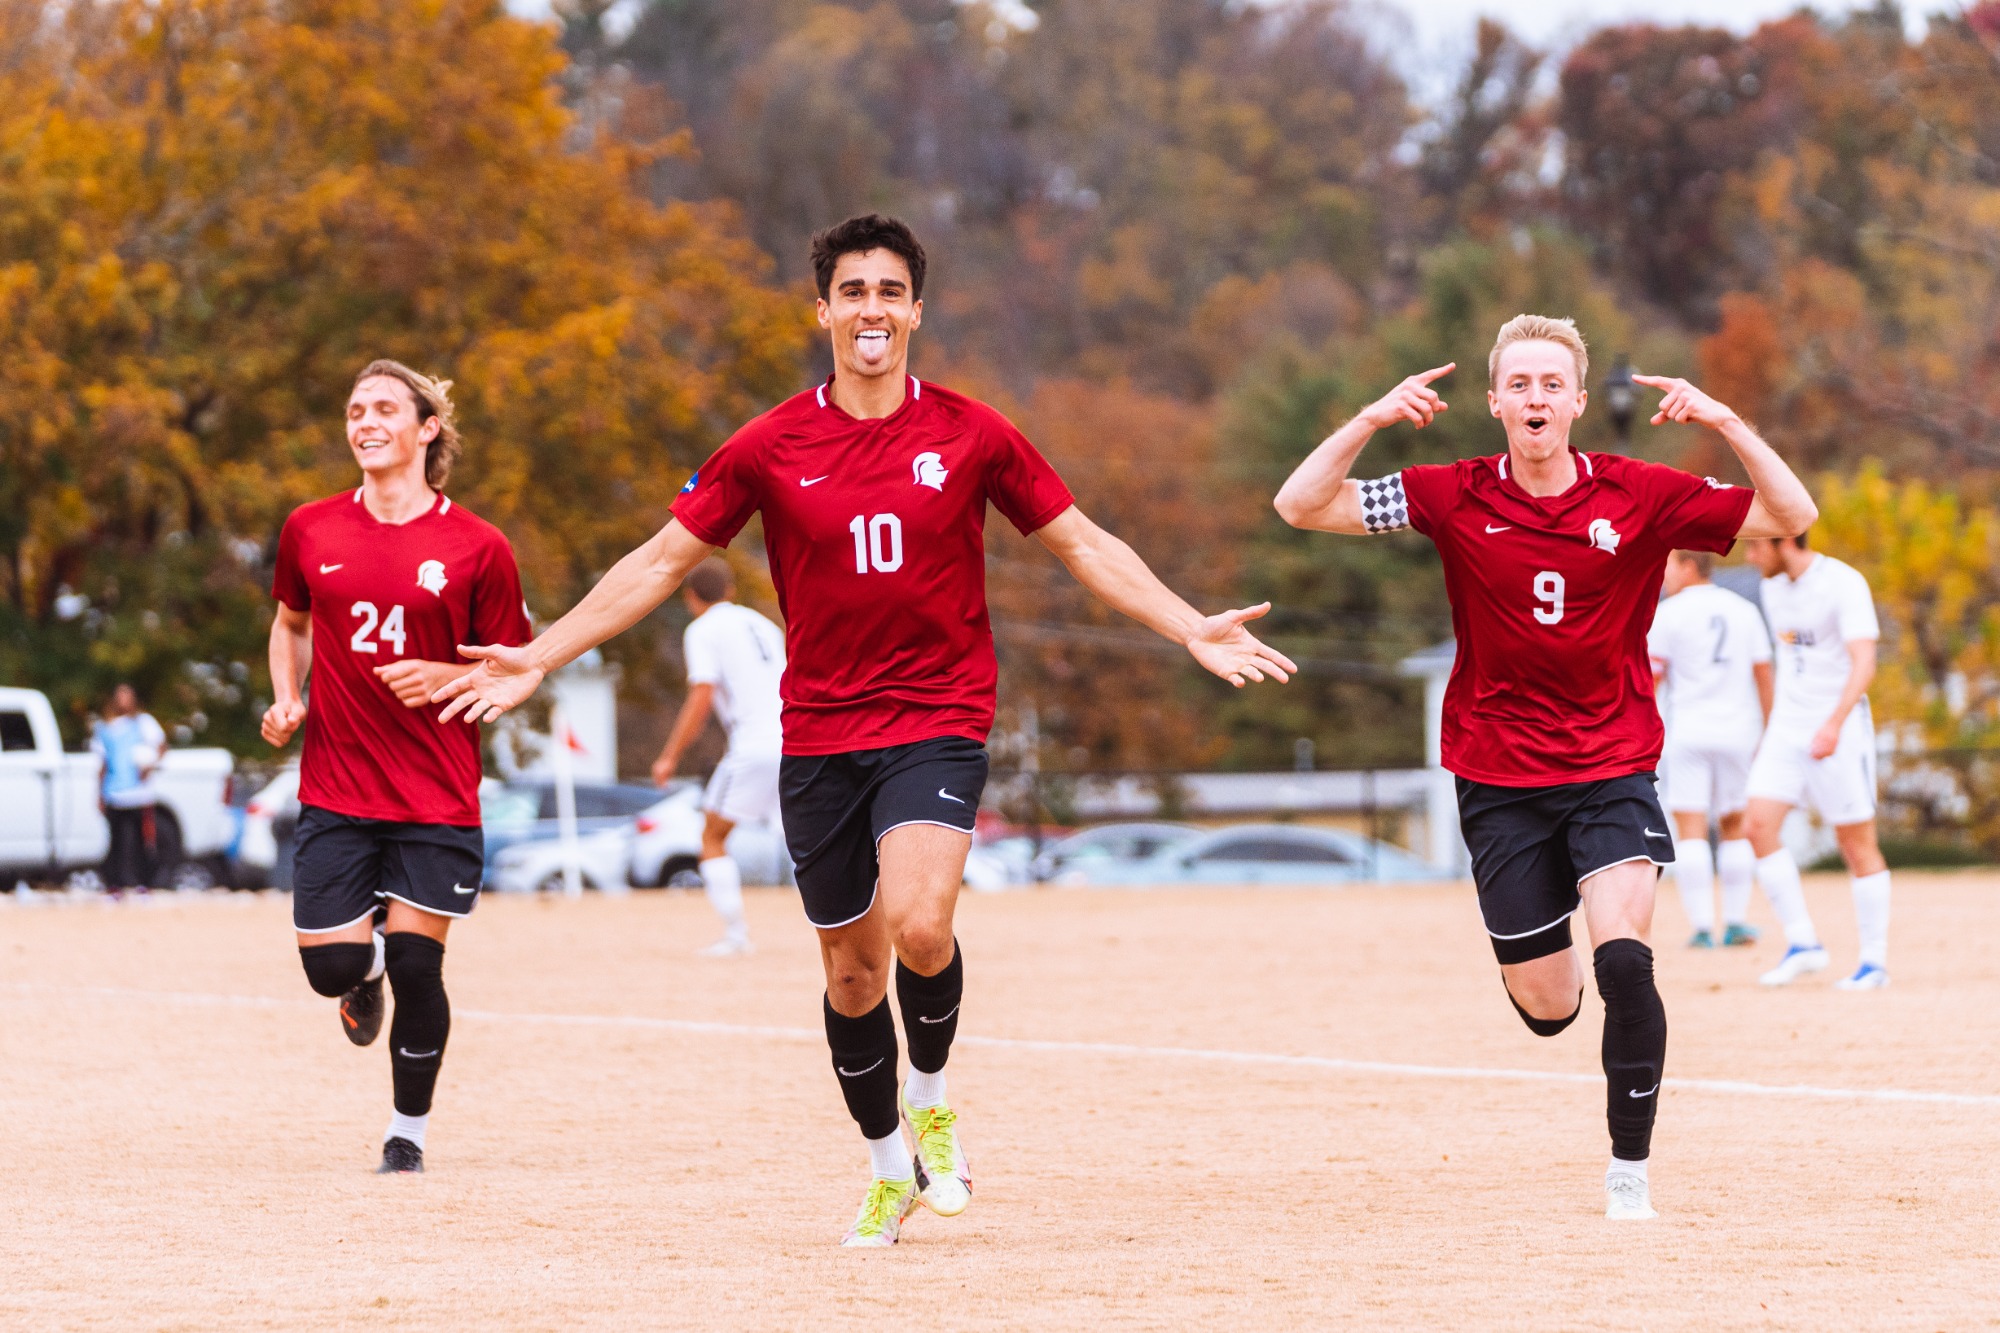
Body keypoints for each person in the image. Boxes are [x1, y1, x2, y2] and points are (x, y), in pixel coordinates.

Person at [434, 213, 1295, 1246]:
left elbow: (1080, 543)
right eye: (853, 291)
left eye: (890, 291)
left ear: (916, 311)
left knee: (920, 925)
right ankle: (888, 1163)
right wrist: (542, 651)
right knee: (850, 972)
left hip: (936, 718)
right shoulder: (767, 444)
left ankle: (929, 1099)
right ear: (823, 311)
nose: (871, 309)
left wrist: (1184, 621)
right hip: (819, 736)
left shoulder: (972, 434)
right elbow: (658, 563)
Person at [1274, 314, 1815, 1221]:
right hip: (1497, 777)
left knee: (1627, 963)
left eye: (1551, 384)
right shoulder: (1449, 492)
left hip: (1611, 764)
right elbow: (1300, 504)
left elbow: (1792, 515)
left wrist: (1727, 422)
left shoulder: (1641, 493)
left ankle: (1628, 1171)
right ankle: (1545, 964)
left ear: (1574, 401)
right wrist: (1369, 417)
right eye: (1518, 384)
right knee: (1549, 1005)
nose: (1536, 399)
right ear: (1494, 402)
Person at [262, 360, 531, 1174]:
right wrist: (286, 696)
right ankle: (362, 969)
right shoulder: (310, 527)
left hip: (436, 792)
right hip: (337, 787)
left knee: (422, 962)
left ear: (426, 429)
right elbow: (290, 623)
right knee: (331, 966)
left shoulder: (478, 545)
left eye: (384, 408)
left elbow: (514, 668)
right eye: (354, 410)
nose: (365, 421)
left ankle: (405, 1135)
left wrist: (447, 676)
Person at [1738, 533, 1891, 990]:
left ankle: (1874, 962)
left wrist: (1833, 724)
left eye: (1754, 547)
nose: (1748, 558)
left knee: (1855, 842)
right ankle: (1804, 943)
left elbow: (1864, 661)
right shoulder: (1772, 586)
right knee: (1757, 826)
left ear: (1783, 539)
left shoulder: (1843, 582)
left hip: (1838, 729)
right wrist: (1772, 730)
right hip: (1788, 729)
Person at [651, 557, 786, 956]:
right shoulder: (764, 625)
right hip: (797, 740)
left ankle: (735, 936)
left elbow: (702, 695)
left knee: (712, 836)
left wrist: (669, 756)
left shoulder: (703, 629)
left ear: (691, 596)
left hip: (754, 746)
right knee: (812, 842)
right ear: (729, 590)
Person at [1647, 550, 1773, 948]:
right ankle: (1735, 922)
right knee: (1735, 825)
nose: (1663, 576)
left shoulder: (1669, 613)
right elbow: (1764, 675)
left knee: (1691, 828)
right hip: (1740, 730)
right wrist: (1770, 730)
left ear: (1688, 566)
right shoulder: (1744, 610)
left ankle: (1702, 928)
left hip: (1688, 730)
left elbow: (1653, 679)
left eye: (1667, 566)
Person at [91, 684, 167, 892]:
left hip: (138, 795)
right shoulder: (105, 728)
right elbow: (102, 764)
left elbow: (161, 746)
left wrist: (149, 767)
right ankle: (115, 885)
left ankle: (143, 883)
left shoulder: (143, 723)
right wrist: (98, 793)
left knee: (141, 841)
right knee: (116, 842)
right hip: (114, 793)